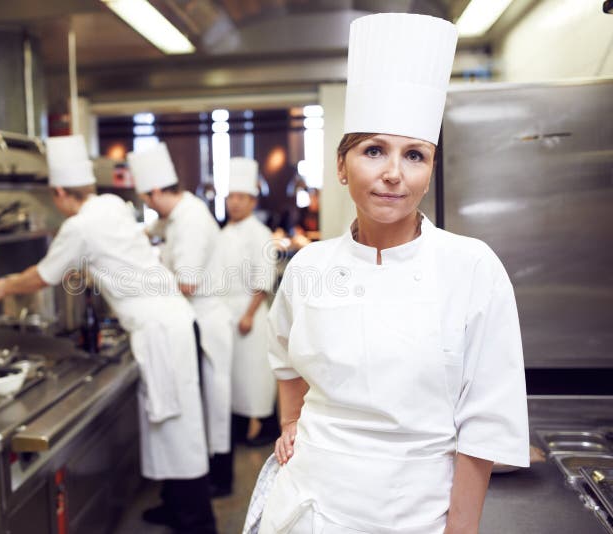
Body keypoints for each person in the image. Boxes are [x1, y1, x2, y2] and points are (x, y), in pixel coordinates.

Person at [256, 13, 529, 534]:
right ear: (342, 166)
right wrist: (291, 422)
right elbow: (282, 357)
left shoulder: (472, 267)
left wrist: (462, 528)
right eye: (373, 150)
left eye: (414, 156)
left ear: (429, 171)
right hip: (306, 506)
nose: (392, 173)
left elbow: (488, 423)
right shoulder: (310, 266)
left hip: (415, 512)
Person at [0, 135, 216, 534]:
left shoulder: (80, 225)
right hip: (170, 323)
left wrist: (3, 286)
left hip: (162, 331)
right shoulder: (110, 205)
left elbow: (43, 276)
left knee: (181, 433)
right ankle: (175, 508)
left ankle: (198, 524)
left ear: (59, 192)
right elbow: (115, 254)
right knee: (170, 430)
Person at [127, 142, 235, 499]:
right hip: (198, 319)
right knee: (208, 408)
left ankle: (219, 480)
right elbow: (146, 233)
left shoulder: (190, 219)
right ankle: (208, 479)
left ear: (157, 191)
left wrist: (146, 281)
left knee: (213, 407)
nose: (147, 205)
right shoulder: (176, 213)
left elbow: (186, 282)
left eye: (146, 197)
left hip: (206, 320)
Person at [219, 157, 279, 448]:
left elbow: (263, 280)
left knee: (255, 377)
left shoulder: (260, 233)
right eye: (230, 197)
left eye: (240, 197)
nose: (234, 203)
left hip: (249, 316)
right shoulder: (224, 231)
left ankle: (268, 428)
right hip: (227, 312)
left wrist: (248, 314)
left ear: (253, 201)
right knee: (235, 379)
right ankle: (240, 429)